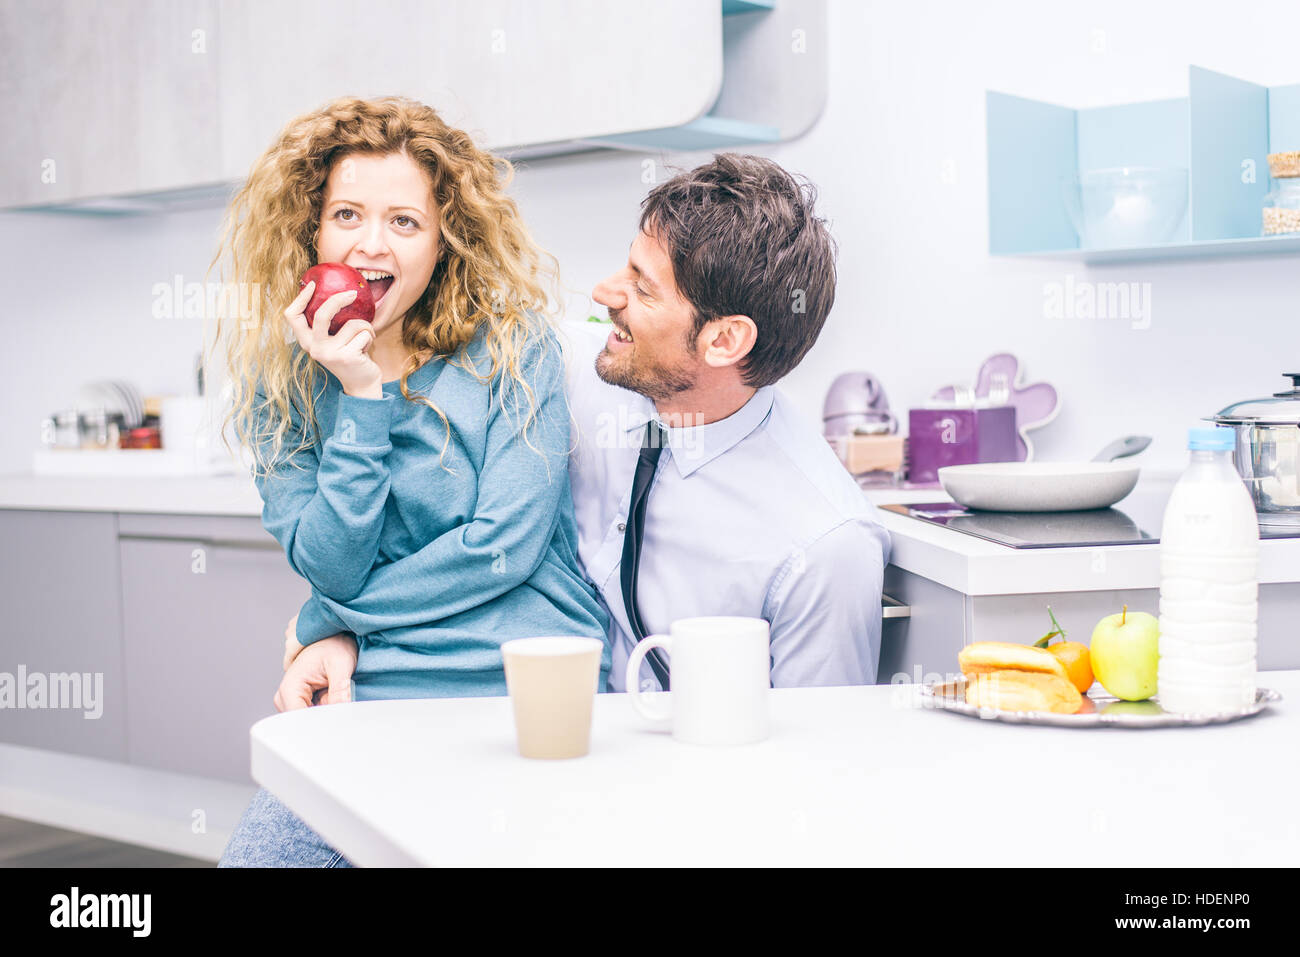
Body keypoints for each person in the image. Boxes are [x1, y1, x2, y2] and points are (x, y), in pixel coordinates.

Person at [212, 95, 609, 867]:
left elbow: (505, 547)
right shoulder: (281, 384)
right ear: (311, 230)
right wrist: (360, 396)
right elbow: (332, 559)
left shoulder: (511, 348)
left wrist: (325, 619)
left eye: (404, 221)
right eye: (347, 214)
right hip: (373, 703)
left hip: (530, 691)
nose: (371, 244)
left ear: (441, 241)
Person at [566, 153, 891, 693]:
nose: (604, 293)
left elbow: (819, 754)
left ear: (723, 341)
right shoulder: (580, 370)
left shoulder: (826, 550)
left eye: (643, 288)